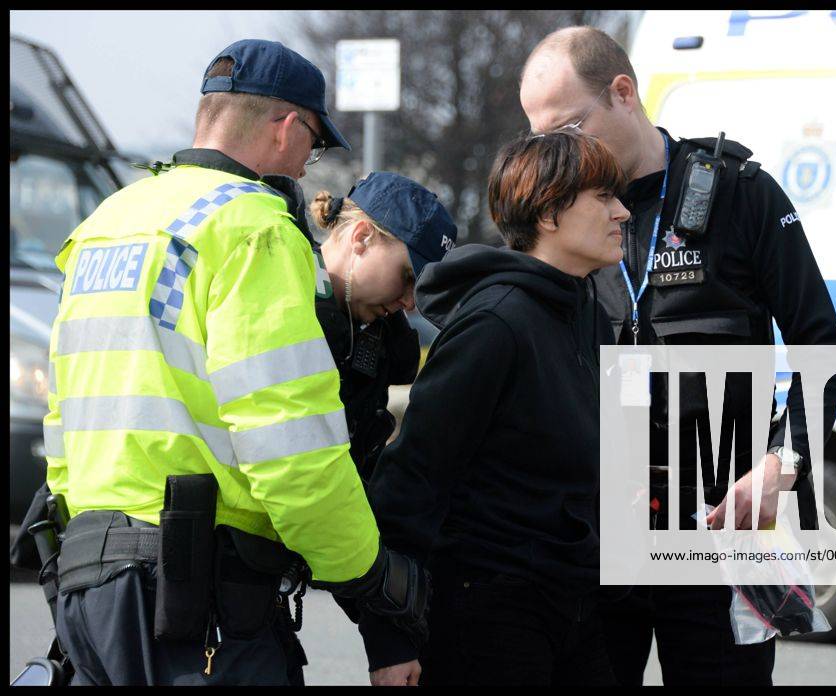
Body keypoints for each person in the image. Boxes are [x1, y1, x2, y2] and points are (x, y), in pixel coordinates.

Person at [39, 39, 427, 686]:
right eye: (314, 143)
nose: (308, 167)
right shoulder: (253, 226)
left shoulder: (111, 220)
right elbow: (290, 443)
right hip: (198, 598)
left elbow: (63, 418)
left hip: (88, 582)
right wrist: (372, 573)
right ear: (286, 126)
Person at [519, 27, 836, 686]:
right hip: (597, 534)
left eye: (569, 126)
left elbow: (822, 347)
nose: (557, 153)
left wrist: (780, 465)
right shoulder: (555, 215)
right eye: (541, 138)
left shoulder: (741, 195)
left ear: (624, 93)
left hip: (721, 532)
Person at [357, 129, 629, 686]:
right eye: (603, 197)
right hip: (487, 619)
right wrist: (390, 639)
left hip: (574, 608)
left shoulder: (587, 315)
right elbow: (410, 483)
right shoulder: (495, 324)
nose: (622, 211)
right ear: (549, 214)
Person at [307, 173, 457, 482]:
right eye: (407, 276)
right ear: (362, 237)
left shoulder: (384, 339)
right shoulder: (285, 296)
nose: (409, 303)